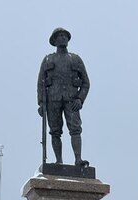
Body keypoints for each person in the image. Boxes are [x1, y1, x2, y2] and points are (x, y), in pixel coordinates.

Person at [37, 27, 91, 166]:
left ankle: (78, 159)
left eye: (65, 36)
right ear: (54, 41)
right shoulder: (48, 59)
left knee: (75, 129)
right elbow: (40, 84)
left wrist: (80, 99)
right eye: (59, 36)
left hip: (71, 100)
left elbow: (86, 83)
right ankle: (59, 161)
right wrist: (41, 103)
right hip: (53, 100)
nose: (63, 38)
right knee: (55, 131)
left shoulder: (76, 59)